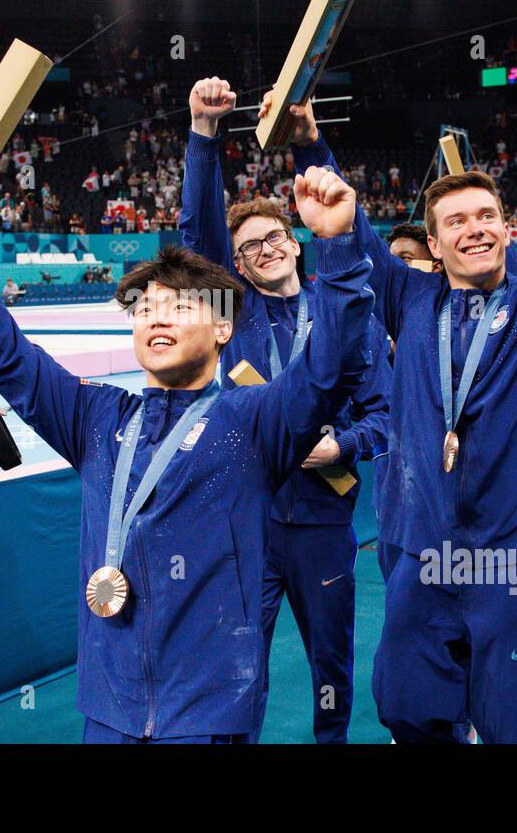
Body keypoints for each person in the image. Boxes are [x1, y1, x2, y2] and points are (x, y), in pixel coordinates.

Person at [283, 38, 517, 743]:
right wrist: (308, 145)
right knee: (405, 705)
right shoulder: (411, 299)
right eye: (456, 221)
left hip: (514, 551)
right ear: (435, 240)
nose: (474, 229)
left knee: (510, 723)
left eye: (487, 218)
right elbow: (345, 226)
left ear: (508, 231)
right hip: (421, 545)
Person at [0, 166, 375, 743]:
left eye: (178, 308)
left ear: (223, 329)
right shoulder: (97, 419)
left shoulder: (253, 421)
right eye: (145, 309)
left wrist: (338, 244)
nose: (157, 317)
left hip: (208, 713)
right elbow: (8, 360)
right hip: (109, 707)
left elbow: (332, 366)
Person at [181, 77, 390, 744]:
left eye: (274, 238)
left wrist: (343, 448)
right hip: (246, 519)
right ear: (236, 267)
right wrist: (203, 137)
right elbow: (194, 239)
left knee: (331, 659)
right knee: (236, 666)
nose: (265, 251)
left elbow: (384, 417)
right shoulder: (231, 317)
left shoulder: (346, 314)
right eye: (248, 249)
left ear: (297, 242)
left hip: (324, 519)